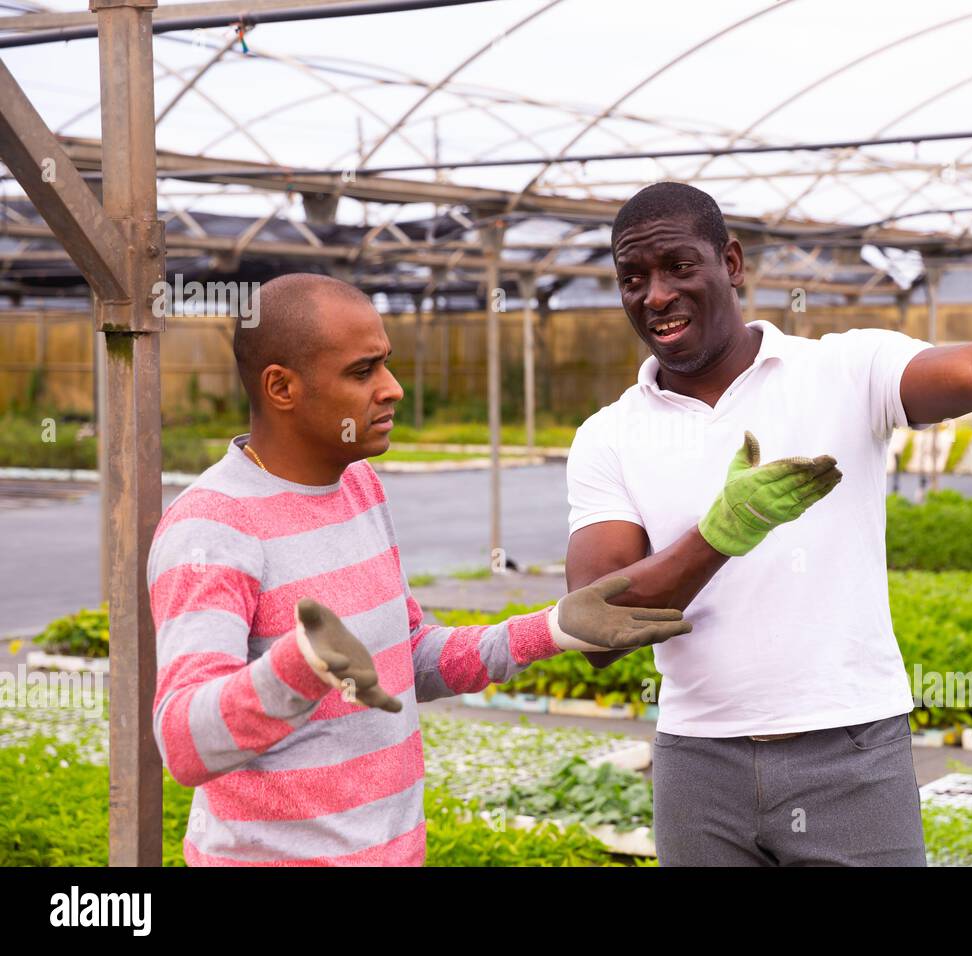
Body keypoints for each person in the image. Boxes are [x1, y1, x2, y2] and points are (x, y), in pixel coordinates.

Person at [563, 181, 972, 866]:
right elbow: (595, 632)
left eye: (678, 267)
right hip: (698, 766)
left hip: (851, 754)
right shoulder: (609, 436)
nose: (655, 295)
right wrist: (721, 534)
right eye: (631, 278)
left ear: (730, 263)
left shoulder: (844, 369)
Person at [147, 273, 693, 866]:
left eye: (386, 364)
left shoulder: (359, 487)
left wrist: (556, 629)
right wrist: (299, 667)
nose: (392, 389)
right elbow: (185, 743)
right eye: (363, 372)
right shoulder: (210, 527)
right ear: (281, 387)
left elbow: (406, 661)